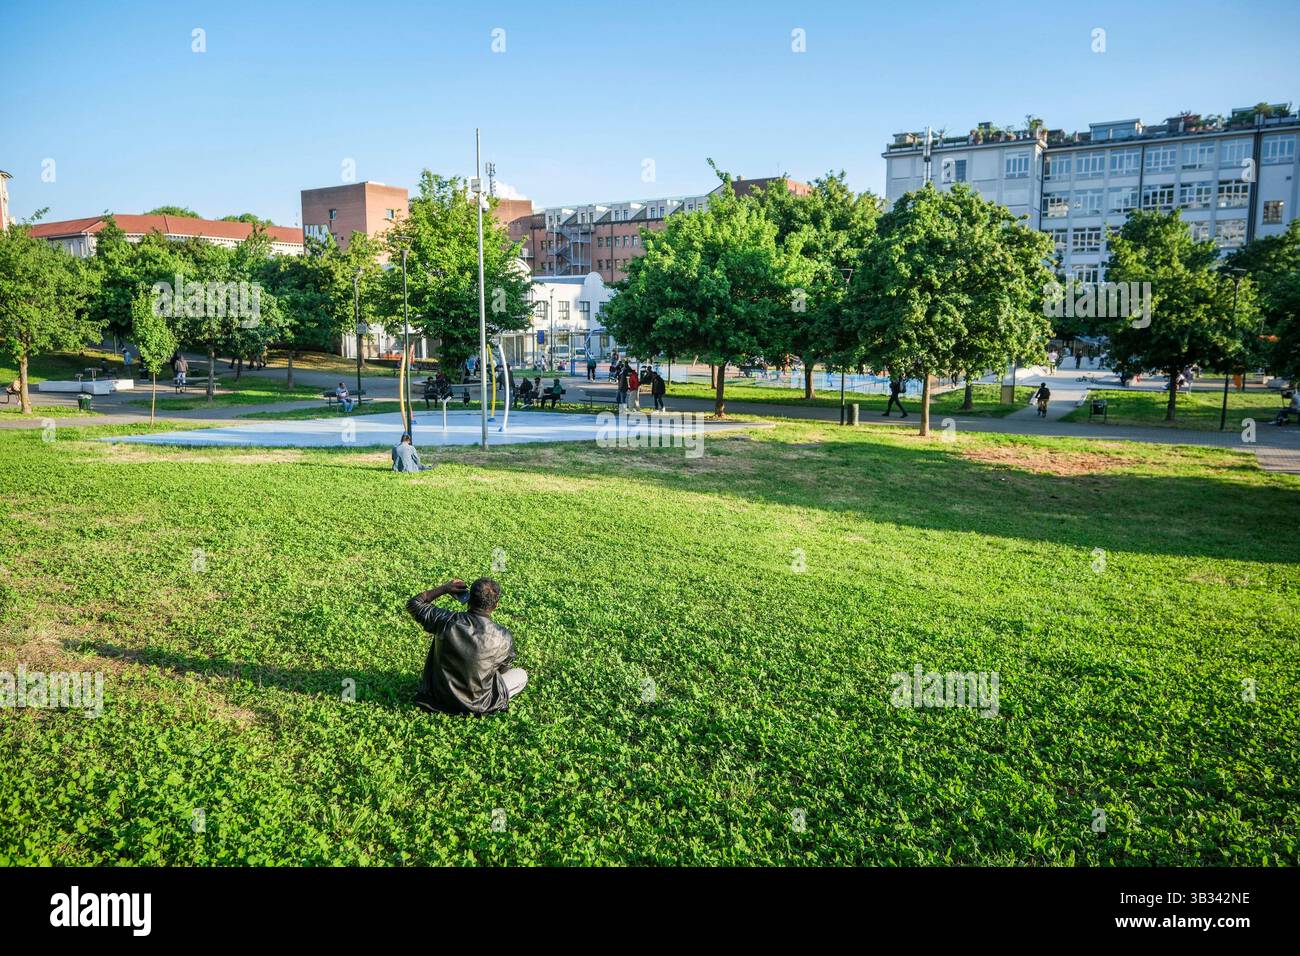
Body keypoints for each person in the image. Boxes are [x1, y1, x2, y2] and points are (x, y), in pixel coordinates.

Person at [406, 578, 526, 715]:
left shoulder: (446, 620)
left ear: (468, 598)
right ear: (496, 605)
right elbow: (504, 669)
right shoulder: (504, 637)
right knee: (521, 674)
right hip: (479, 705)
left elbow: (414, 603)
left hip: (438, 700)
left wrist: (444, 588)